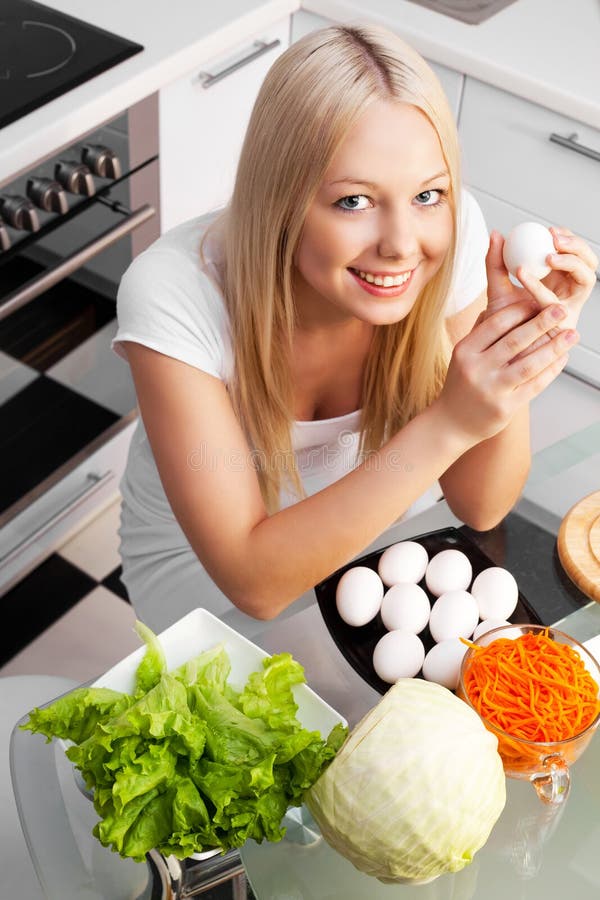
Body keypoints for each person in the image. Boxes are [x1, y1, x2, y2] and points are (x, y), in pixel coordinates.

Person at [112, 24, 597, 638]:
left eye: (427, 193)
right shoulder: (176, 291)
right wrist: (450, 420)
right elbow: (253, 581)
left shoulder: (451, 239)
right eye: (353, 201)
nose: (400, 245)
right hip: (212, 588)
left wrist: (512, 344)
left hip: (385, 536)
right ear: (280, 197)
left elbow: (481, 504)